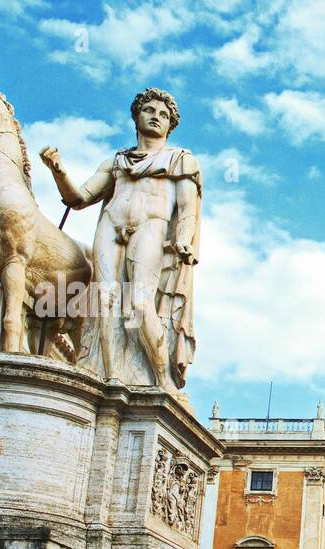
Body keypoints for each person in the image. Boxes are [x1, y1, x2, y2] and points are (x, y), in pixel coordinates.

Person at [41, 88, 201, 391]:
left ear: (170, 125)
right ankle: (109, 377)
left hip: (151, 228)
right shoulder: (116, 162)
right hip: (111, 226)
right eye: (149, 110)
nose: (156, 117)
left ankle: (161, 379)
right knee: (104, 303)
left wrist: (183, 240)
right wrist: (58, 170)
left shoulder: (181, 160)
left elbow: (188, 209)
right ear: (136, 116)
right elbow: (78, 199)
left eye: (163, 115)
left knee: (140, 304)